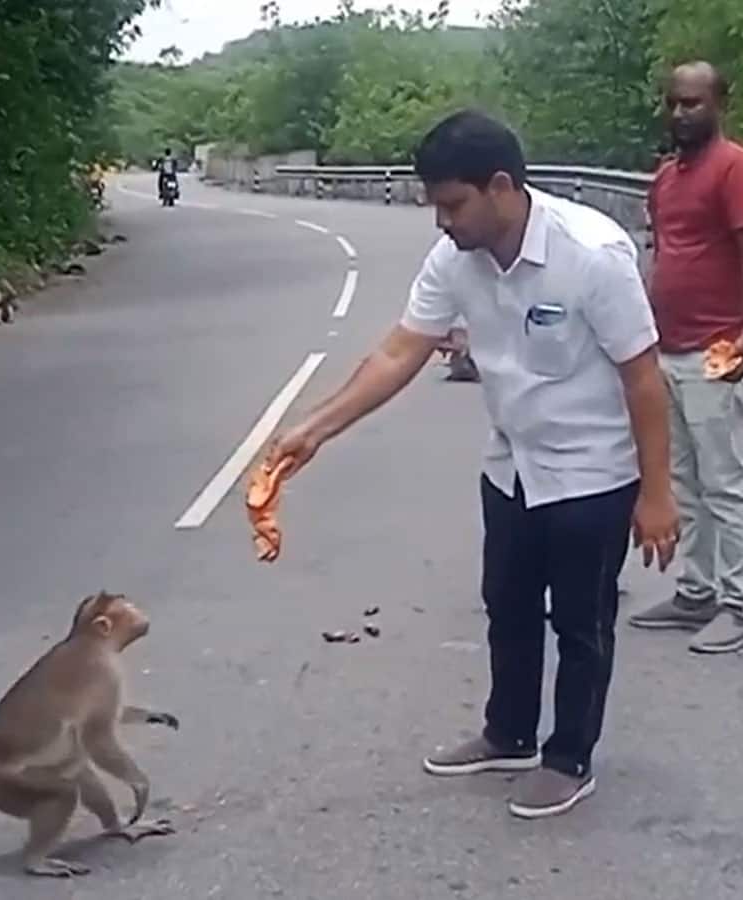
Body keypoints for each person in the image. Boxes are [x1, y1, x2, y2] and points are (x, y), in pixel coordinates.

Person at [266, 110, 679, 819]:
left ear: (500, 187)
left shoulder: (592, 254)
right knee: (508, 605)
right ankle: (510, 731)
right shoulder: (454, 260)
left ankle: (568, 757)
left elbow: (644, 377)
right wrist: (315, 429)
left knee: (582, 624)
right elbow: (401, 351)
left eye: (452, 205)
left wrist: (658, 495)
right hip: (512, 464)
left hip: (592, 474)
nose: (442, 223)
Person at [627, 61, 743, 654]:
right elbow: (664, 253)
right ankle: (697, 592)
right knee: (681, 478)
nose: (683, 113)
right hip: (667, 346)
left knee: (724, 482)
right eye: (675, 103)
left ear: (718, 104)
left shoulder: (736, 168)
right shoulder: (666, 177)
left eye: (694, 103)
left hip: (713, 349)